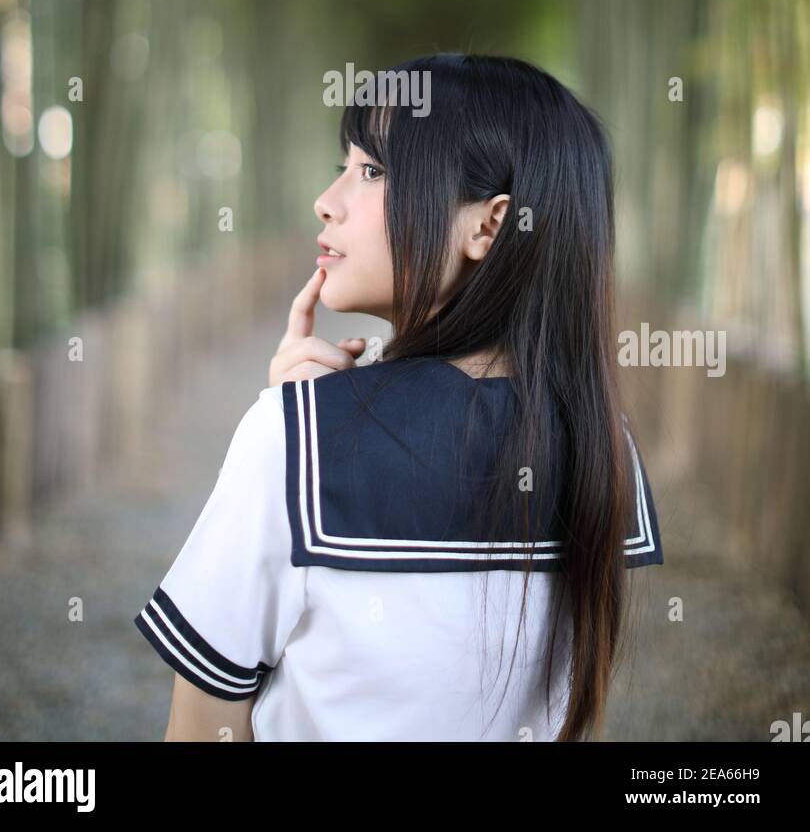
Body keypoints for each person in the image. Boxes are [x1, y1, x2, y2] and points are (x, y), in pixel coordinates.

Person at [134, 52, 664, 741]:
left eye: (374, 172)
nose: (327, 201)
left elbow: (203, 730)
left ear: (488, 226)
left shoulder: (291, 444)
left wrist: (298, 438)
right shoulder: (602, 443)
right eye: (343, 166)